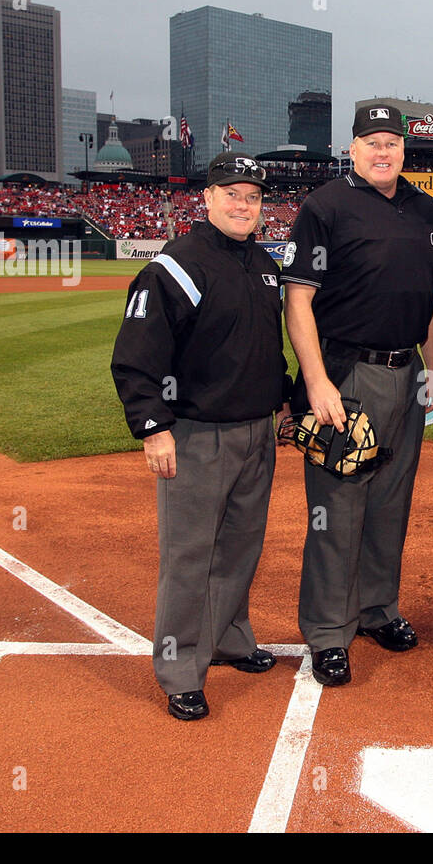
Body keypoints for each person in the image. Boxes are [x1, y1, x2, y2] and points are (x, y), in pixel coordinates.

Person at [111, 151, 291, 721]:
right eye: (232, 194)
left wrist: (283, 400)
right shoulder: (176, 266)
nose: (243, 204)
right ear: (207, 198)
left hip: (255, 431)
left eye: (253, 196)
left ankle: (230, 637)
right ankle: (180, 667)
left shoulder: (262, 263)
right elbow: (136, 356)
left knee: (240, 547)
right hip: (194, 436)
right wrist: (153, 428)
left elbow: (263, 348)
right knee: (189, 556)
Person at [280, 102, 433, 687]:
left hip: (406, 374)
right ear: (352, 149)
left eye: (392, 143)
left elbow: (431, 302)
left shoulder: (428, 212)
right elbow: (297, 299)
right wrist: (318, 379)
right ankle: (328, 631)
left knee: (389, 503)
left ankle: (378, 609)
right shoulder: (326, 206)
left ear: (406, 150)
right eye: (371, 142)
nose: (383, 151)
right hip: (346, 375)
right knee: (337, 508)